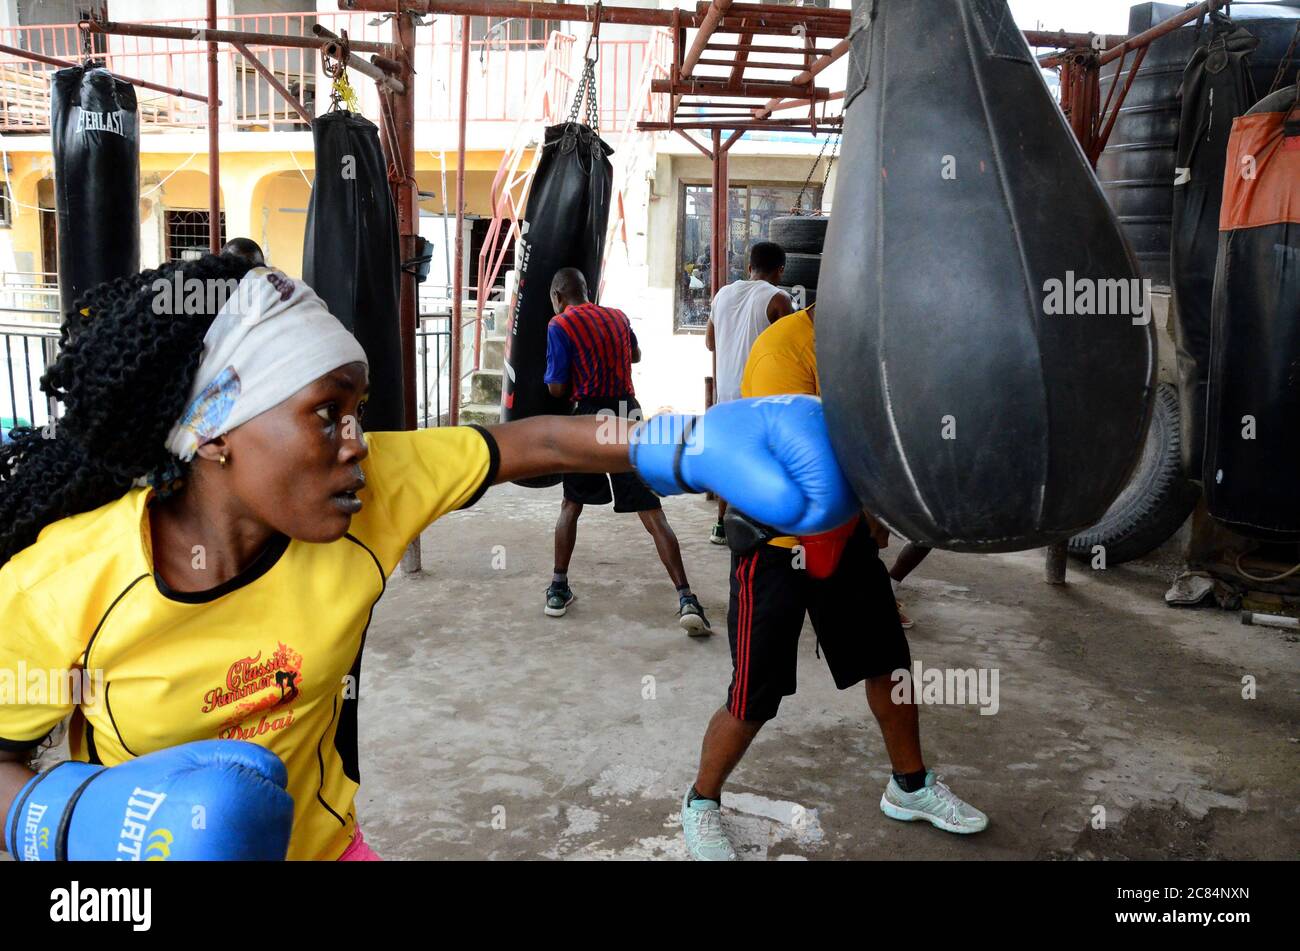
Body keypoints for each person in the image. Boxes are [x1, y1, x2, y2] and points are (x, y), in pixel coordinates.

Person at [0, 255, 855, 861]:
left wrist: (682, 441)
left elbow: (534, 440)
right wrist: (62, 819)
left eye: (359, 413)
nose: (356, 444)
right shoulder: (68, 581)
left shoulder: (372, 493)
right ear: (215, 432)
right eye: (325, 413)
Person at [680, 303, 988, 862]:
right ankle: (701, 801)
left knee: (888, 665)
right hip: (777, 547)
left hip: (842, 539)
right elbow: (803, 464)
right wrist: (872, 505)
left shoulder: (869, 351)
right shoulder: (785, 351)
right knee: (755, 695)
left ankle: (910, 786)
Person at [543, 268, 709, 635]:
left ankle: (557, 588)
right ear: (587, 291)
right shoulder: (617, 316)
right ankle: (686, 597)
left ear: (558, 297)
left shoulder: (560, 326)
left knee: (572, 504)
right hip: (627, 413)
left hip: (588, 417)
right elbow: (634, 354)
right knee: (651, 511)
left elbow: (555, 388)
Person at [704, 241, 795, 544]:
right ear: (780, 270)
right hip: (759, 394)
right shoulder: (778, 299)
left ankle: (720, 525)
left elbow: (710, 343)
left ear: (749, 267)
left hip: (726, 393)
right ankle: (758, 526)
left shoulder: (722, 294)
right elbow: (793, 347)